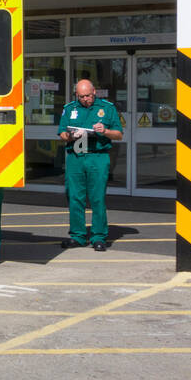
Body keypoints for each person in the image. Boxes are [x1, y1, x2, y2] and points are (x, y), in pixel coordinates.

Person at [57, 79, 124, 251]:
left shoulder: (107, 108)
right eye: (81, 96)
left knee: (97, 198)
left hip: (97, 157)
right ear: (76, 95)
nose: (85, 99)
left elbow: (119, 134)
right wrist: (71, 135)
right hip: (76, 156)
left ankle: (98, 237)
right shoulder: (70, 108)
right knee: (74, 197)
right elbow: (62, 133)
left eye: (88, 95)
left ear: (94, 91)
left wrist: (105, 131)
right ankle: (77, 236)